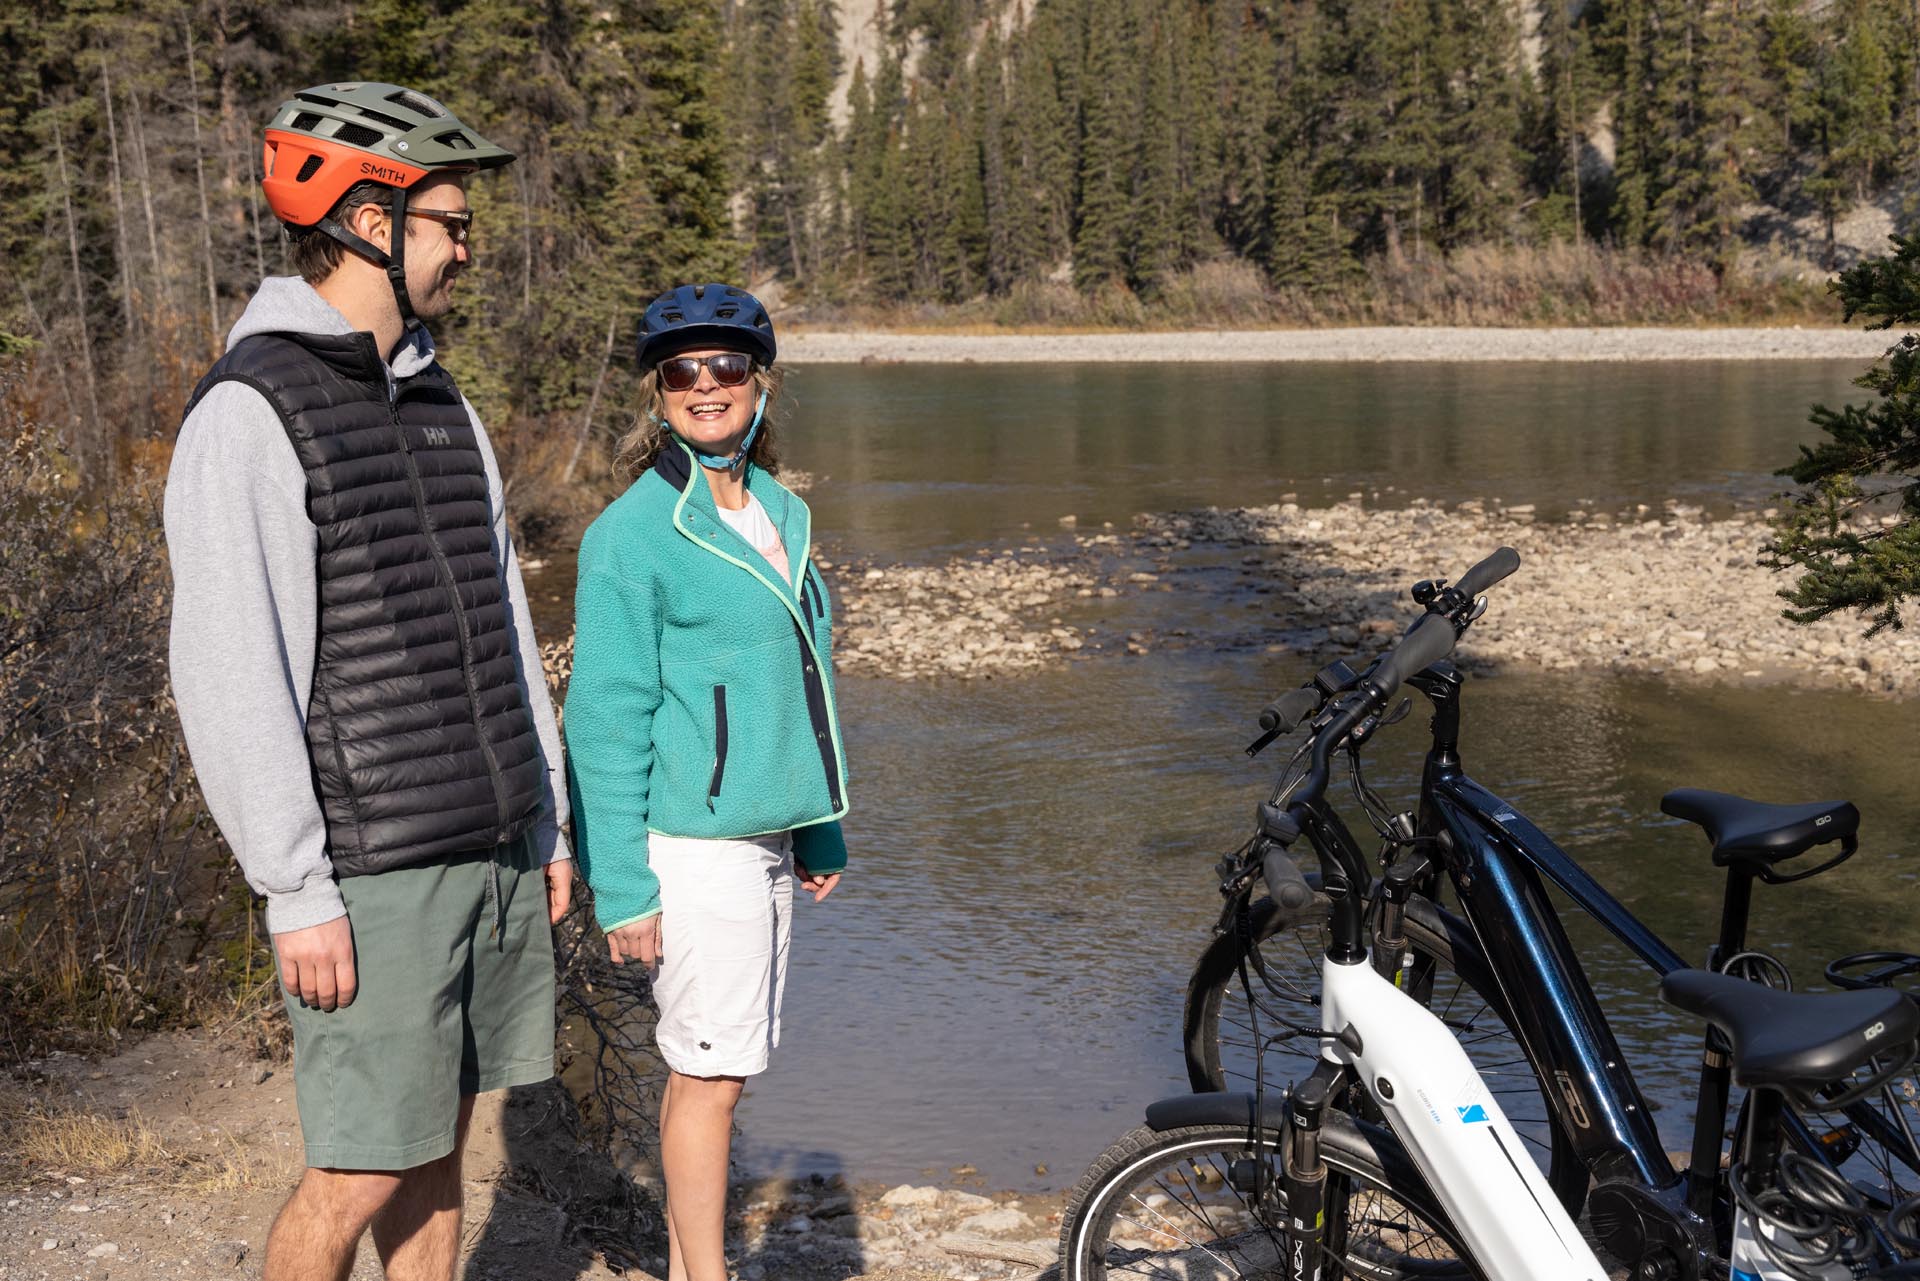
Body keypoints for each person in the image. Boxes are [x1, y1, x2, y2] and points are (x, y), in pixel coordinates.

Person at [163, 82, 572, 1281]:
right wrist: (295, 886)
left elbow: (503, 621)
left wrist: (543, 818)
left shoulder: (444, 401)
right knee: (356, 1167)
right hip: (371, 865)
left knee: (440, 1144)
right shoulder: (251, 410)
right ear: (362, 221)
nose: (465, 246)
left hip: (484, 841)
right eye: (449, 221)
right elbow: (235, 668)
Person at [564, 283, 850, 1281]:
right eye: (682, 371)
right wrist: (625, 886)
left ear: (759, 383)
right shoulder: (630, 536)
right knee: (710, 1078)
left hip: (764, 837)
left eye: (726, 366)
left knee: (727, 1072)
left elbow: (801, 680)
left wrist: (819, 825)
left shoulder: (781, 512)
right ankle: (704, 1276)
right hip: (694, 845)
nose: (706, 385)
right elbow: (602, 720)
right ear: (656, 395)